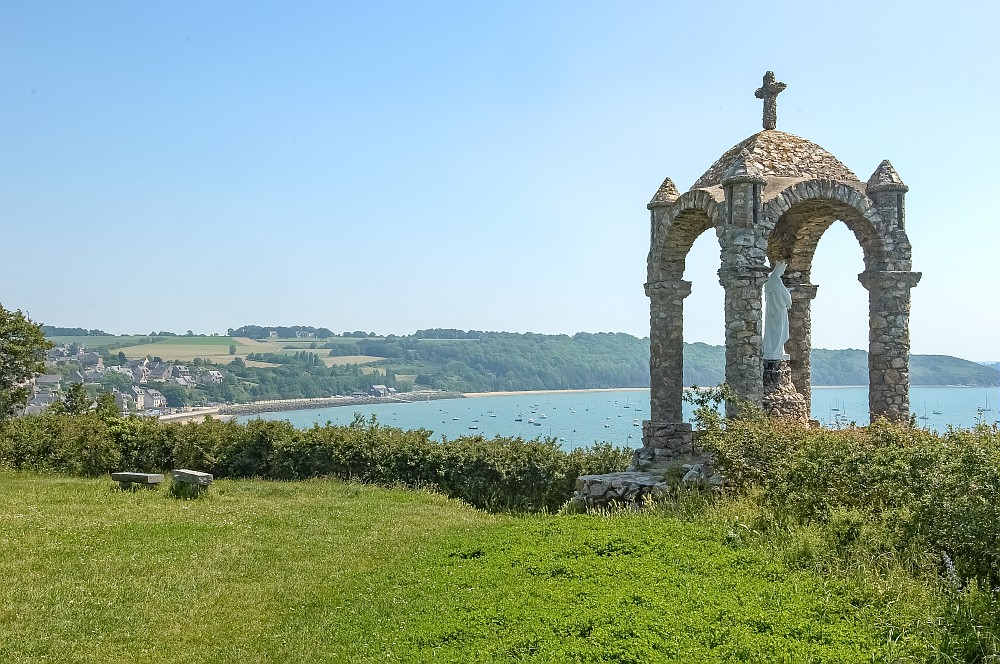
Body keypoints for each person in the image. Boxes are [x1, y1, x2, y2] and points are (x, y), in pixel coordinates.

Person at [763, 261, 792, 360]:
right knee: (779, 331)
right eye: (783, 269)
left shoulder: (769, 281)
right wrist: (789, 295)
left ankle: (771, 349)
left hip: (771, 310)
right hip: (779, 310)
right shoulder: (777, 280)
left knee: (772, 331)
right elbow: (786, 296)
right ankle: (776, 350)